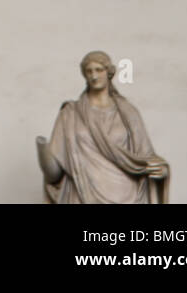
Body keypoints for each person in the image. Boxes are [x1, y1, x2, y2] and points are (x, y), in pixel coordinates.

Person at [36, 51, 169, 204]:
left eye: (99, 70)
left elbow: (146, 157)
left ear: (109, 72)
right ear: (84, 75)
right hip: (82, 193)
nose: (94, 76)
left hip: (127, 195)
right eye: (89, 71)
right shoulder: (70, 114)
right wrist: (41, 147)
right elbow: (54, 173)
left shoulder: (128, 112)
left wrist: (162, 170)